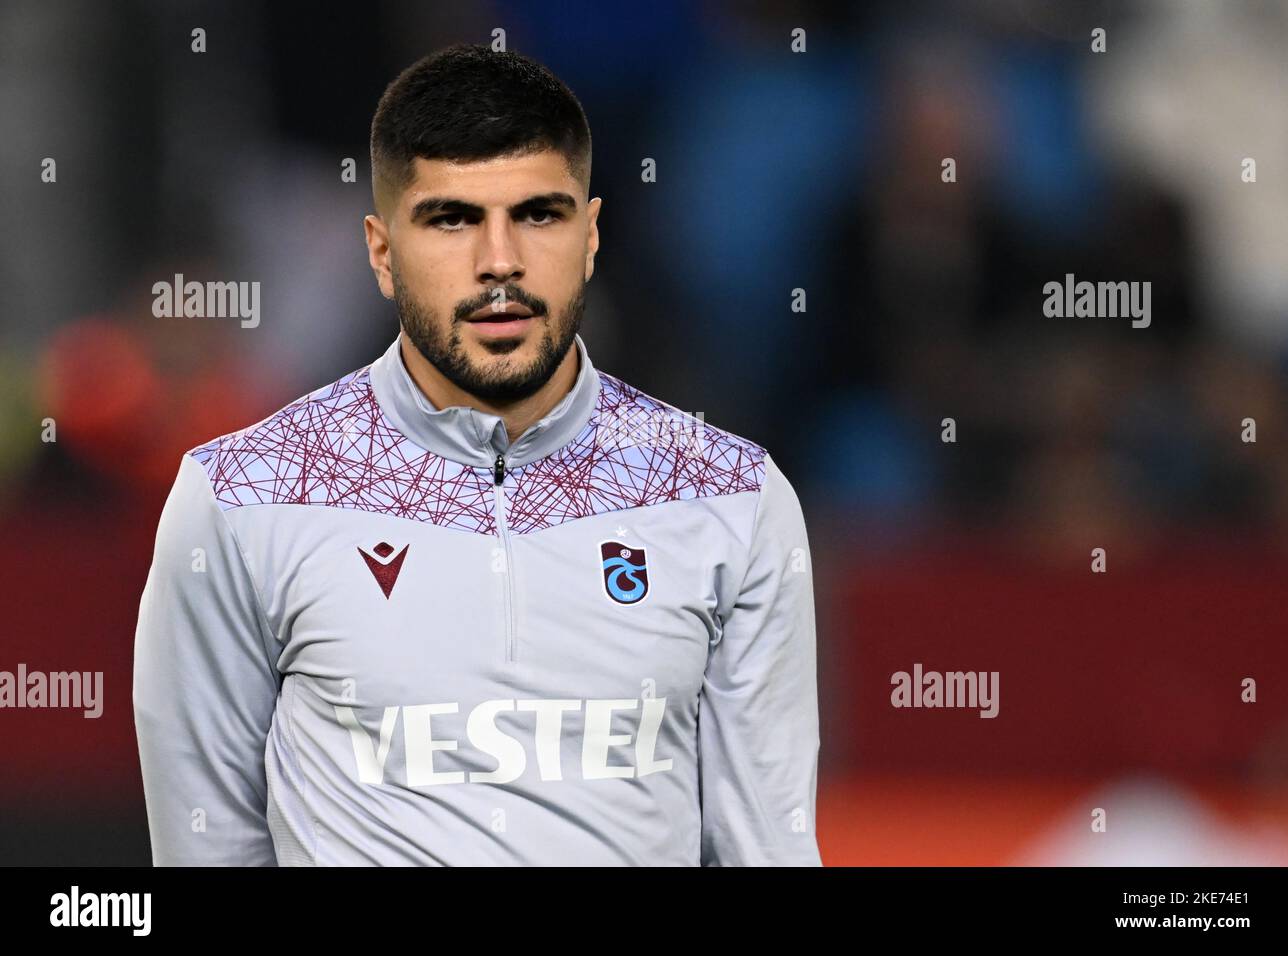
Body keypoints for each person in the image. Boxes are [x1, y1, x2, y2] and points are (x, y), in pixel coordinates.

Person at [132, 43, 821, 866]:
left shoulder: (731, 501)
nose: (500, 262)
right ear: (381, 252)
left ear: (592, 236)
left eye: (539, 214)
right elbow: (203, 848)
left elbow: (766, 852)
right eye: (452, 218)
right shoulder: (241, 498)